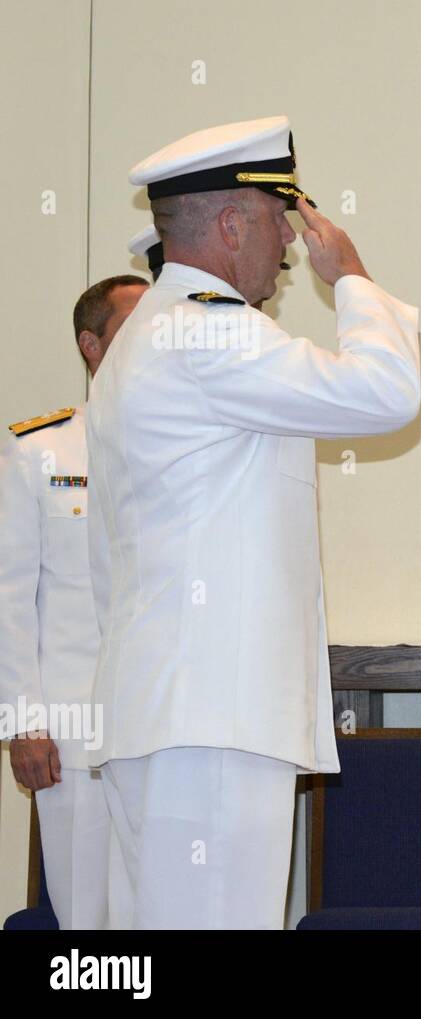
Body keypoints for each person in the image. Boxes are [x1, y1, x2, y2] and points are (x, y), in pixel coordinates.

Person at [86, 115, 421, 928]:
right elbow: (387, 392)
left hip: (177, 714)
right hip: (212, 724)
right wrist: (354, 282)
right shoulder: (208, 334)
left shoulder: (150, 340)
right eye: (279, 222)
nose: (290, 248)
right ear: (232, 223)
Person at [0, 274, 147, 929]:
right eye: (132, 328)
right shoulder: (39, 448)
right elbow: (9, 593)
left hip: (161, 725)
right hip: (73, 727)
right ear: (91, 344)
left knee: (158, 912)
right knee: (87, 918)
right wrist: (21, 720)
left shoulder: (183, 447)